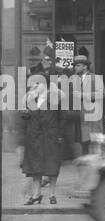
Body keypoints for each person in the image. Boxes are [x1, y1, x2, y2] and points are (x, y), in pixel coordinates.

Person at [20, 75, 74, 205]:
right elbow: (25, 118)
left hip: (51, 136)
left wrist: (59, 134)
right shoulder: (31, 99)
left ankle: (52, 194)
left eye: (37, 84)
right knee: (35, 166)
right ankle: (36, 194)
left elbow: (63, 118)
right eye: (33, 84)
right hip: (34, 136)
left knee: (52, 166)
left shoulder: (56, 99)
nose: (34, 86)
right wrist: (25, 113)